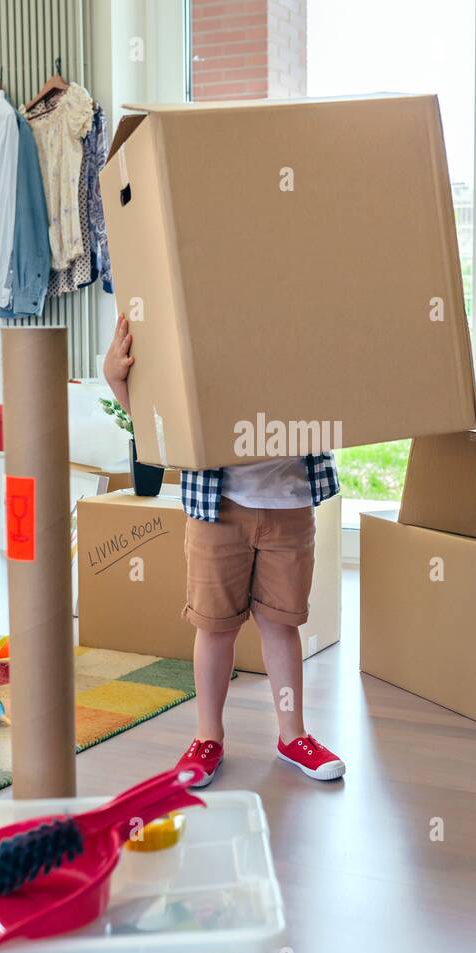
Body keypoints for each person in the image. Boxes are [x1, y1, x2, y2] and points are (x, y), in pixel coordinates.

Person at [104, 314, 346, 787]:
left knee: (282, 624)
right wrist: (116, 379)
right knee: (214, 626)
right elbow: (162, 422)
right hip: (218, 506)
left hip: (291, 503)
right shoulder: (198, 328)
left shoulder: (304, 330)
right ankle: (207, 737)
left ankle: (292, 735)